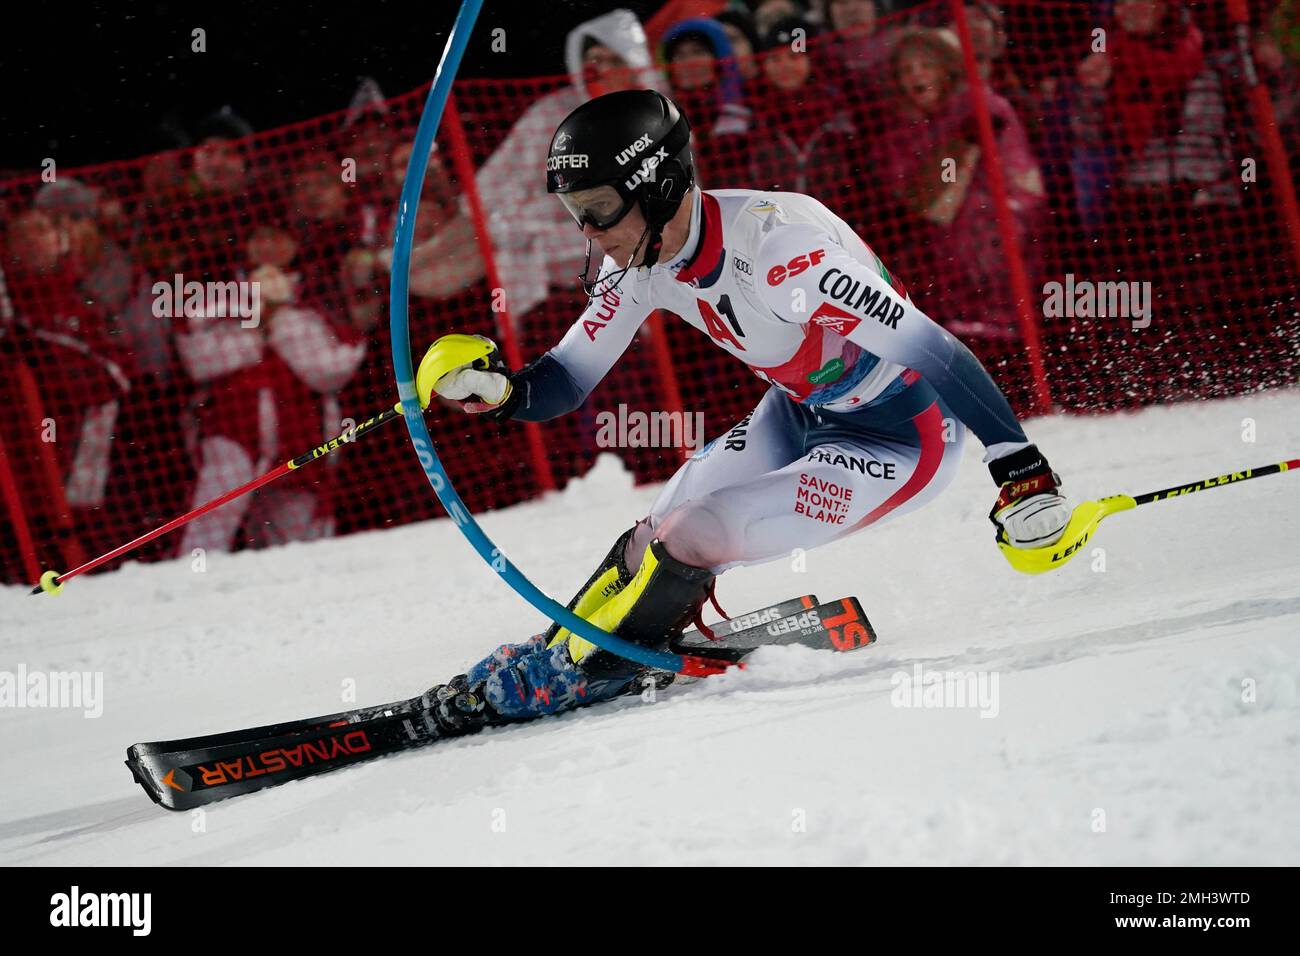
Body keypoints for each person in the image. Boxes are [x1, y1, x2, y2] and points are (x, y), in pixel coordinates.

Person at [407, 90, 1071, 730]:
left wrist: (1021, 469)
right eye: (577, 209)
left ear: (658, 185)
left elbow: (935, 347)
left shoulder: (784, 254)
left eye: (600, 207)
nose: (587, 230)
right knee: (653, 532)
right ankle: (559, 651)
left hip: (899, 443)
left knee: (692, 533)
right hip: (797, 413)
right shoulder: (644, 260)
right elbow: (567, 378)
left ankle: (589, 669)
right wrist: (499, 391)